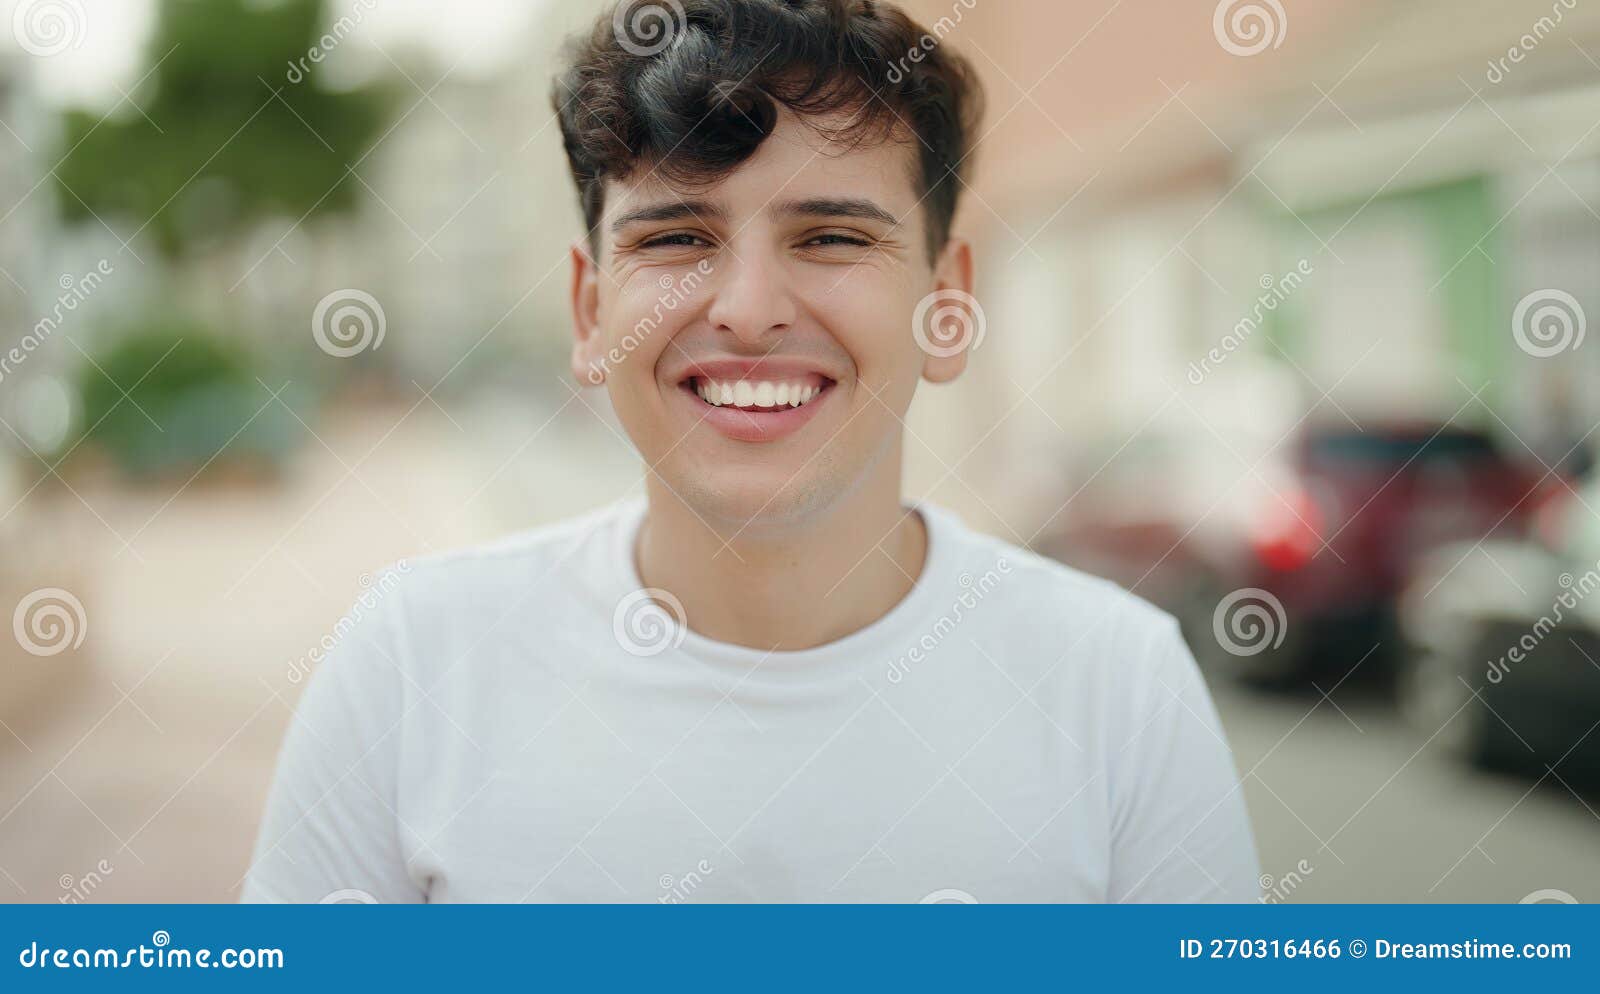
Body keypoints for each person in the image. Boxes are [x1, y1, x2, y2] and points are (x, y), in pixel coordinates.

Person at [243, 0, 1259, 904]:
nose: (748, 311)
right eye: (678, 239)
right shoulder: (413, 664)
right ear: (590, 313)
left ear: (947, 305)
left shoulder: (1117, 685)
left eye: (830, 238)